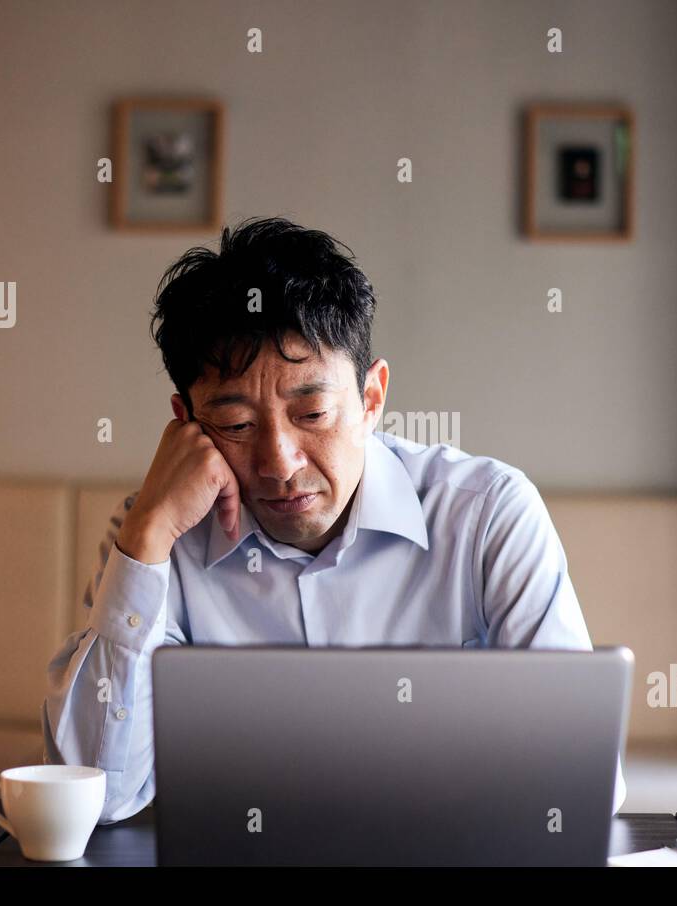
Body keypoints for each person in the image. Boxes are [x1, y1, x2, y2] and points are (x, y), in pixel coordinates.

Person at [42, 216, 625, 824]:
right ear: (185, 423)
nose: (279, 463)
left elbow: (578, 787)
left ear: (372, 399)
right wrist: (146, 541)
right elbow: (101, 797)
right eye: (237, 426)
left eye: (312, 413)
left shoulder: (488, 516)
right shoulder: (154, 537)